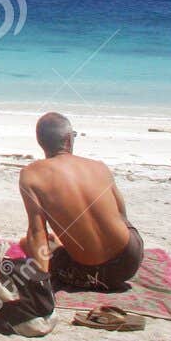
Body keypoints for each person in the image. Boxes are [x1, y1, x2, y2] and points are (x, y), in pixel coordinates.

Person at [18, 112, 143, 291]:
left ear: (41, 143)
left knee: (25, 243)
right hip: (131, 259)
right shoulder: (99, 167)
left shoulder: (31, 175)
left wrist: (41, 284)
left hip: (90, 273)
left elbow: (37, 233)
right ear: (69, 140)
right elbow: (122, 216)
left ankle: (67, 247)